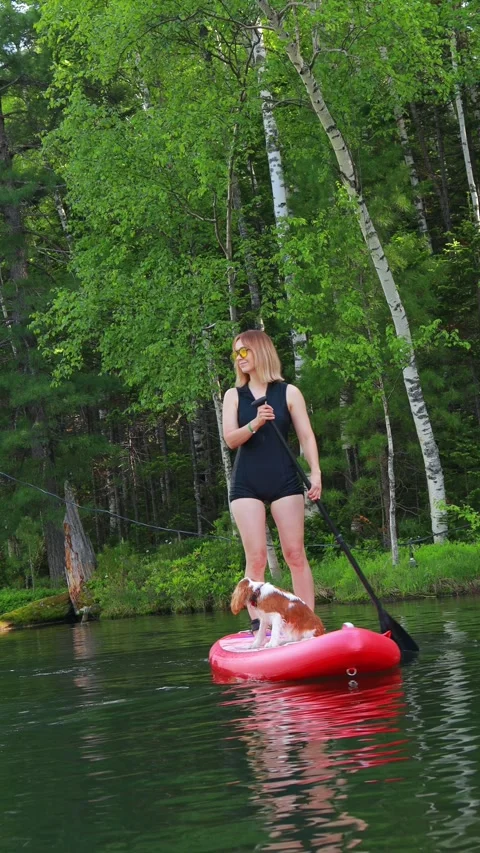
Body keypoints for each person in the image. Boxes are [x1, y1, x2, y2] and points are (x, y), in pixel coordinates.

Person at [222, 329, 322, 622]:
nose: (239, 358)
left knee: (294, 554)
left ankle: (307, 620)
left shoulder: (288, 392)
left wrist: (315, 473)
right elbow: (230, 439)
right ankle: (258, 626)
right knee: (256, 558)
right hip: (246, 483)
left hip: (284, 480)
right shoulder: (233, 396)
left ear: (260, 352)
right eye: (236, 353)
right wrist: (256, 423)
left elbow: (306, 435)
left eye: (244, 352)